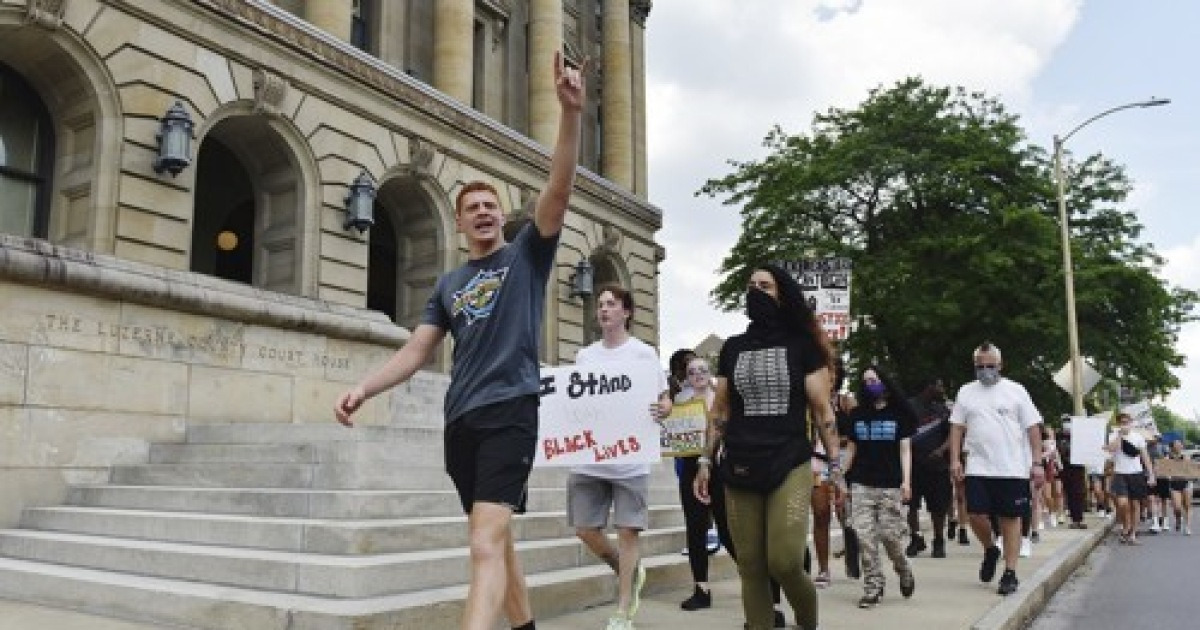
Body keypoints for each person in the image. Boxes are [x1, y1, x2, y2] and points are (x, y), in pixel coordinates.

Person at [332, 52, 585, 630]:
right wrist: (363, 388)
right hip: (461, 421)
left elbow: (560, 190)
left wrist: (571, 112)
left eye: (491, 205)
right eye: (473, 208)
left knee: (482, 545)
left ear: (502, 216)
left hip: (510, 410)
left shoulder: (528, 255)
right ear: (460, 220)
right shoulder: (449, 284)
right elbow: (416, 351)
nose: (484, 213)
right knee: (494, 541)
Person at [693, 264, 843, 630]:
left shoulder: (804, 347)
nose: (755, 292)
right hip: (740, 465)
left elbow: (823, 412)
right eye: (751, 286)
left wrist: (836, 468)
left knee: (785, 561)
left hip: (789, 462)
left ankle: (808, 622)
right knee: (751, 565)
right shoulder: (733, 348)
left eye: (765, 286)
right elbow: (721, 410)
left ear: (782, 294)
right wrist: (705, 460)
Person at [568, 285, 671, 630]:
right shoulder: (585, 357)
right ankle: (627, 568)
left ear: (627, 312)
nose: (604, 310)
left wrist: (664, 408)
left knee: (628, 532)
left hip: (629, 458)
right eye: (600, 305)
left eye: (611, 304)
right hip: (589, 458)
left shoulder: (644, 354)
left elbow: (664, 399)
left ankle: (624, 607)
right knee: (585, 529)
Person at [949, 342, 1044, 597]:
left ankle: (1010, 572)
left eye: (990, 366)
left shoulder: (1016, 391)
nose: (985, 370)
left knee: (1009, 519)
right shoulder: (966, 392)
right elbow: (957, 427)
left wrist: (1037, 463)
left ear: (1000, 365)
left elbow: (1033, 428)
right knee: (975, 513)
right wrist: (955, 460)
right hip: (978, 465)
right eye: (980, 366)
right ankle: (991, 548)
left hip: (1011, 467)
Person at [843, 366, 917, 609]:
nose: (869, 385)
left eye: (873, 380)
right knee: (865, 537)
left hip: (890, 484)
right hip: (861, 483)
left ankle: (903, 569)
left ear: (884, 383)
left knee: (890, 537)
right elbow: (851, 451)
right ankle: (873, 586)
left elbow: (905, 450)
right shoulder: (857, 415)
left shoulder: (899, 416)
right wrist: (839, 476)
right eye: (865, 381)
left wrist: (906, 481)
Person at [905, 379, 953, 559]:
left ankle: (938, 540)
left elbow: (952, 434)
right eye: (939, 385)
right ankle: (915, 537)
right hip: (914, 465)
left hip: (937, 465)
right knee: (911, 505)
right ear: (929, 386)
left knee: (938, 507)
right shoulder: (910, 407)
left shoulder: (943, 410)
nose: (942, 389)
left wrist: (941, 450)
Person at [1104, 412, 1156, 545]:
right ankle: (1126, 525)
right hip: (1120, 473)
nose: (1125, 425)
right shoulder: (1113, 436)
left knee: (1135, 504)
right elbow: (1112, 450)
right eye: (1122, 422)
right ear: (1118, 424)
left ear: (1131, 423)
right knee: (1122, 503)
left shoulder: (1138, 438)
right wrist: (1120, 436)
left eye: (1127, 422)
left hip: (1136, 473)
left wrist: (1151, 474)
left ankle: (1133, 534)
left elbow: (1145, 457)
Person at [1055, 419, 1088, 529]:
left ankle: (1080, 518)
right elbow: (1059, 451)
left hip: (1078, 468)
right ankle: (1075, 519)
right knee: (1070, 493)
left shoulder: (1079, 437)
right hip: (1066, 468)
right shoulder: (1059, 437)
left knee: (1079, 493)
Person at [1165, 439, 1193, 535]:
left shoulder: (1186, 456)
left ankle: (1187, 527)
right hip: (1174, 484)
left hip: (1186, 483)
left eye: (1179, 444)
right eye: (1176, 445)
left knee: (1187, 506)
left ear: (1182, 446)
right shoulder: (1168, 457)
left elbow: (1190, 468)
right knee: (1177, 507)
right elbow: (1164, 470)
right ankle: (1178, 519)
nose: (1178, 446)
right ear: (1172, 447)